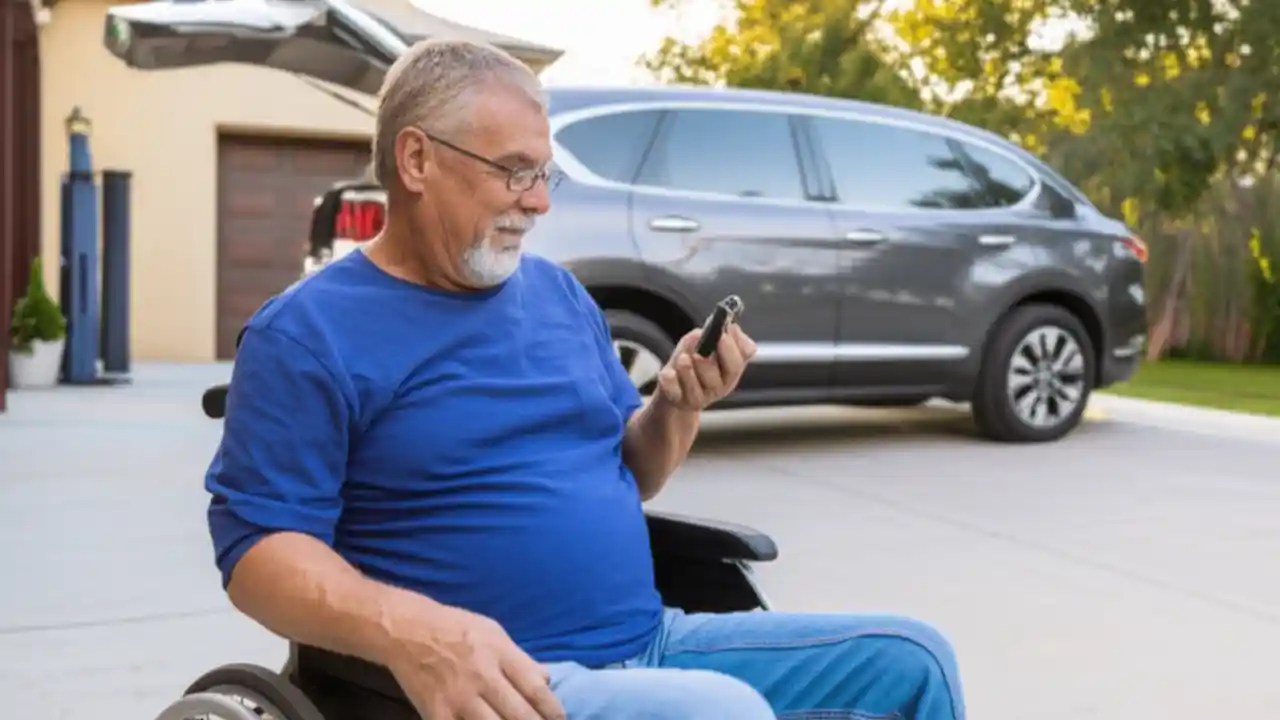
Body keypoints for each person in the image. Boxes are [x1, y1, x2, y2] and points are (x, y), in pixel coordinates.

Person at [205, 38, 966, 720]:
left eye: (546, 174)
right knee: (720, 713)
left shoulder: (559, 296)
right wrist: (415, 632)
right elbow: (258, 554)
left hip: (655, 641)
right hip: (500, 684)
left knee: (913, 662)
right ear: (416, 161)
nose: (537, 201)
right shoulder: (308, 334)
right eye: (514, 172)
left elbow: (634, 475)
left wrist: (676, 405)